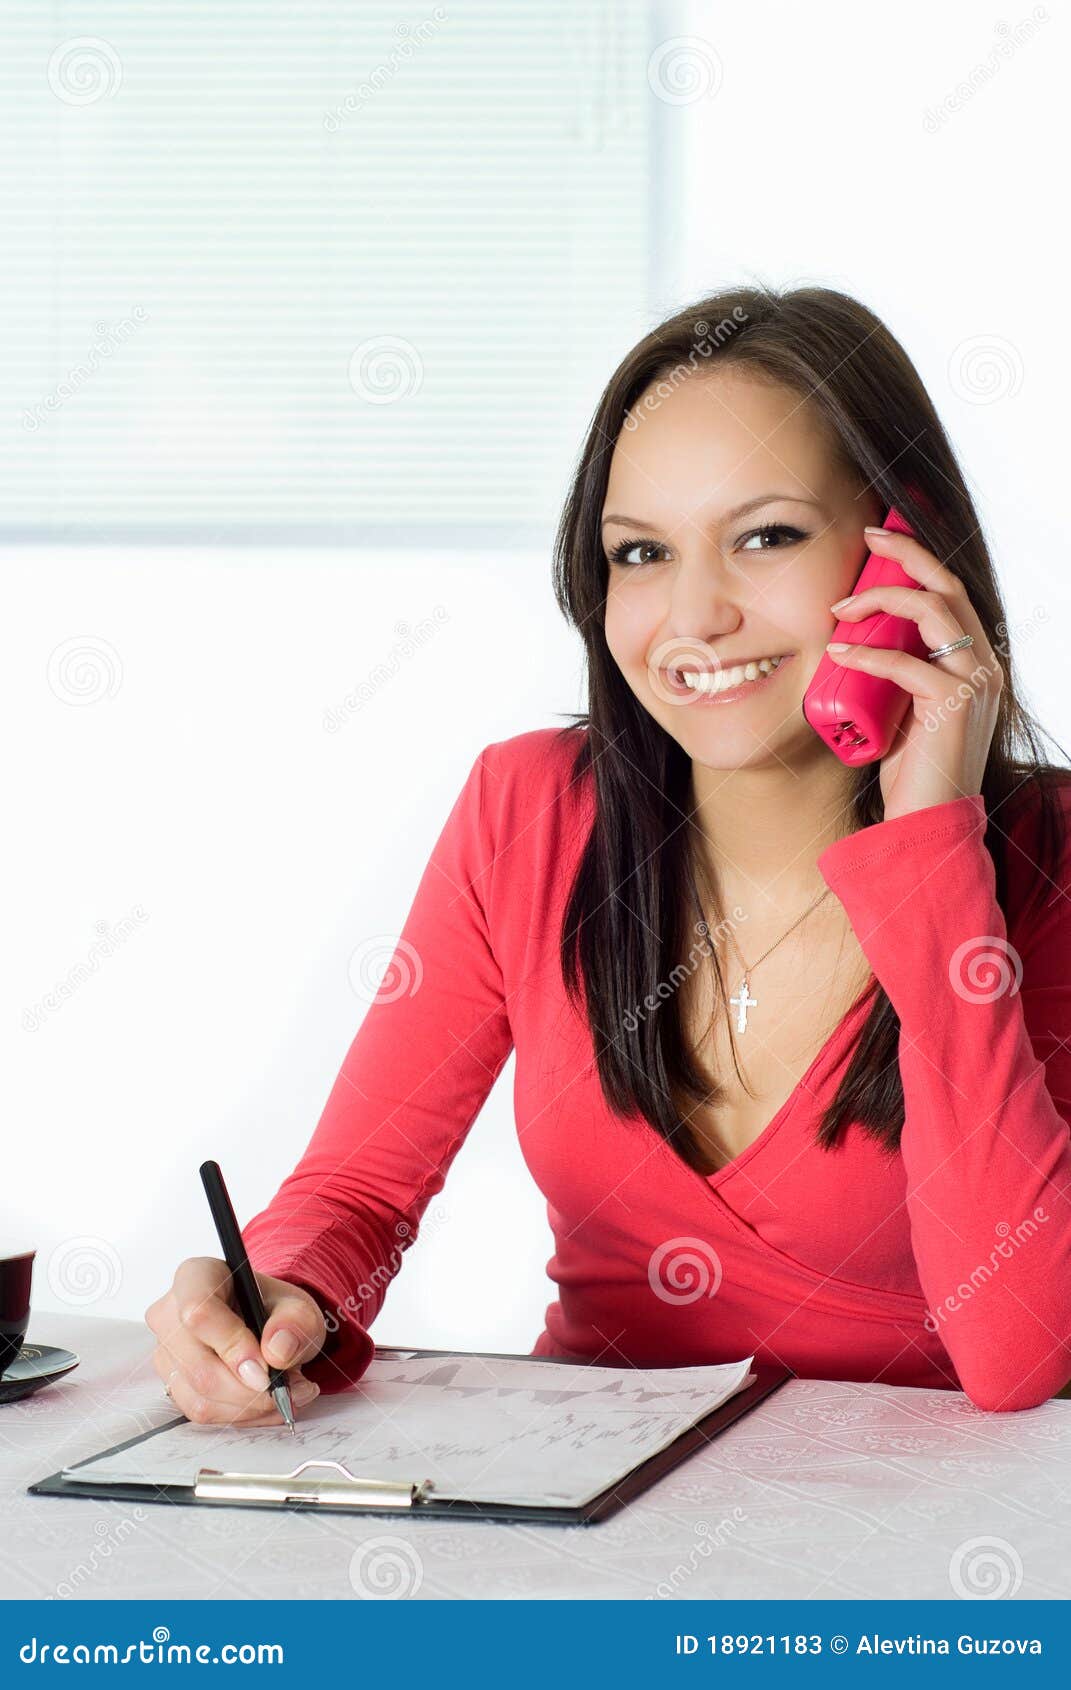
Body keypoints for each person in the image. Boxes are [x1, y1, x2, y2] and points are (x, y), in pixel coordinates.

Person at [144, 284, 1071, 1426]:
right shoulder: (527, 811)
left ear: (904, 556)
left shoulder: (1049, 866)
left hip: (925, 1549)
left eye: (765, 536)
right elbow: (358, 1192)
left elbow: (1021, 1357)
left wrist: (933, 847)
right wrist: (282, 1295)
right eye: (640, 552)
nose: (693, 617)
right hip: (593, 1516)